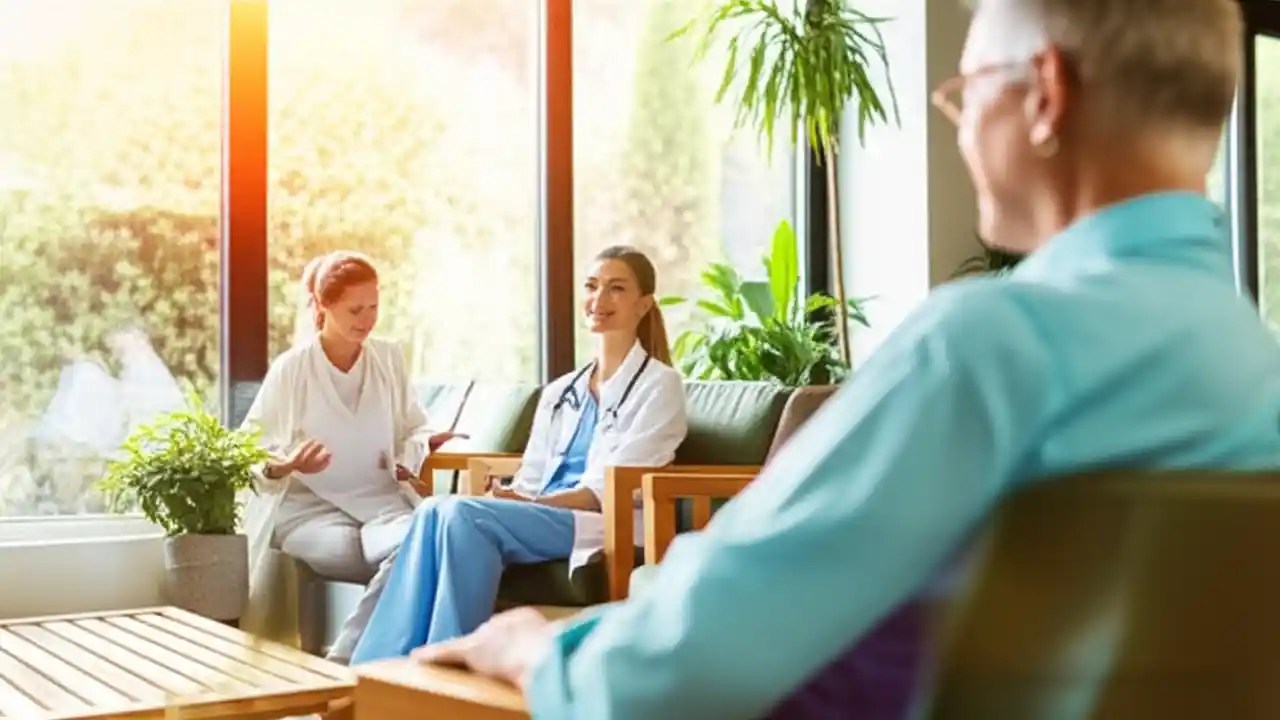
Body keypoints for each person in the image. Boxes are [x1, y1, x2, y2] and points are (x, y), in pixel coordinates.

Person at [414, 1, 1280, 718]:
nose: (961, 126)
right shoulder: (1253, 371)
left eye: (966, 92)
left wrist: (537, 646)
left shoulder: (990, 346)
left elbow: (679, 670)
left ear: (1045, 93)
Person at [330, 245, 689, 665]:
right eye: (592, 286)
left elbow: (604, 490)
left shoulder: (659, 386)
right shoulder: (561, 392)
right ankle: (382, 671)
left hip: (602, 523)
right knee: (437, 511)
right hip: (545, 517)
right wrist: (514, 497)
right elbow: (533, 474)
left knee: (462, 515)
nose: (599, 299)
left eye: (616, 288)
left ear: (643, 304)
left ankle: (433, 675)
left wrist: (530, 504)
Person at [239, 251, 458, 643]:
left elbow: (414, 427)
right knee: (372, 553)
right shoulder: (292, 368)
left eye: (374, 307)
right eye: (355, 309)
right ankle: (382, 658)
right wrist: (286, 464)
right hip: (308, 510)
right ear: (324, 307)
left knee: (418, 542)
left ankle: (346, 656)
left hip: (382, 503)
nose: (367, 319)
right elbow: (250, 453)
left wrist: (417, 449)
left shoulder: (388, 358)